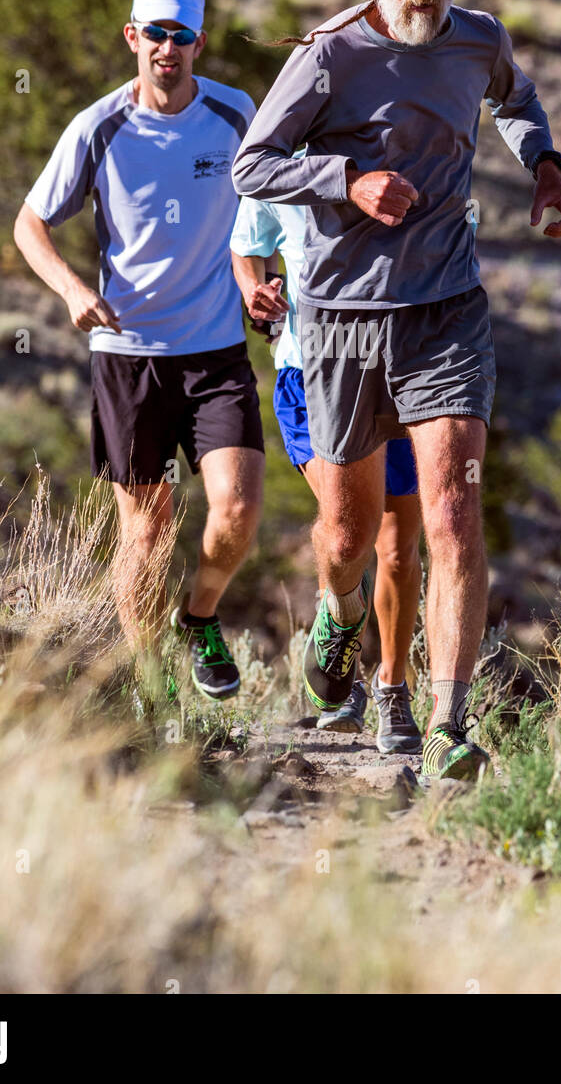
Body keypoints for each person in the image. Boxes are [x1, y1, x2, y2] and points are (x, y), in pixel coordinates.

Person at [232, 0, 561, 783]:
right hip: (343, 321)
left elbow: (518, 99)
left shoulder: (478, 38)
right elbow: (252, 165)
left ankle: (448, 718)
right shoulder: (327, 55)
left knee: (452, 515)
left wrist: (545, 168)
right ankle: (339, 616)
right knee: (347, 539)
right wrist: (347, 181)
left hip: (448, 309)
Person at [13, 0, 264, 701]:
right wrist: (73, 289)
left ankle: (202, 616)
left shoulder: (233, 112)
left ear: (199, 44)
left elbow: (265, 206)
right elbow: (30, 224)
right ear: (132, 37)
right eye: (154, 33)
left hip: (216, 350)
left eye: (181, 36)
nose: (167, 47)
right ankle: (151, 692)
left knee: (238, 509)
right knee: (146, 531)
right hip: (128, 356)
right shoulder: (98, 126)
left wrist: (258, 280)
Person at [230, 194, 422, 753]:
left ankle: (391, 689)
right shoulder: (283, 157)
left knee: (395, 545)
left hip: (399, 374)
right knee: (346, 529)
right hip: (308, 370)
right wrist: (254, 291)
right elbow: (248, 247)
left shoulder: (410, 145)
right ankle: (341, 630)